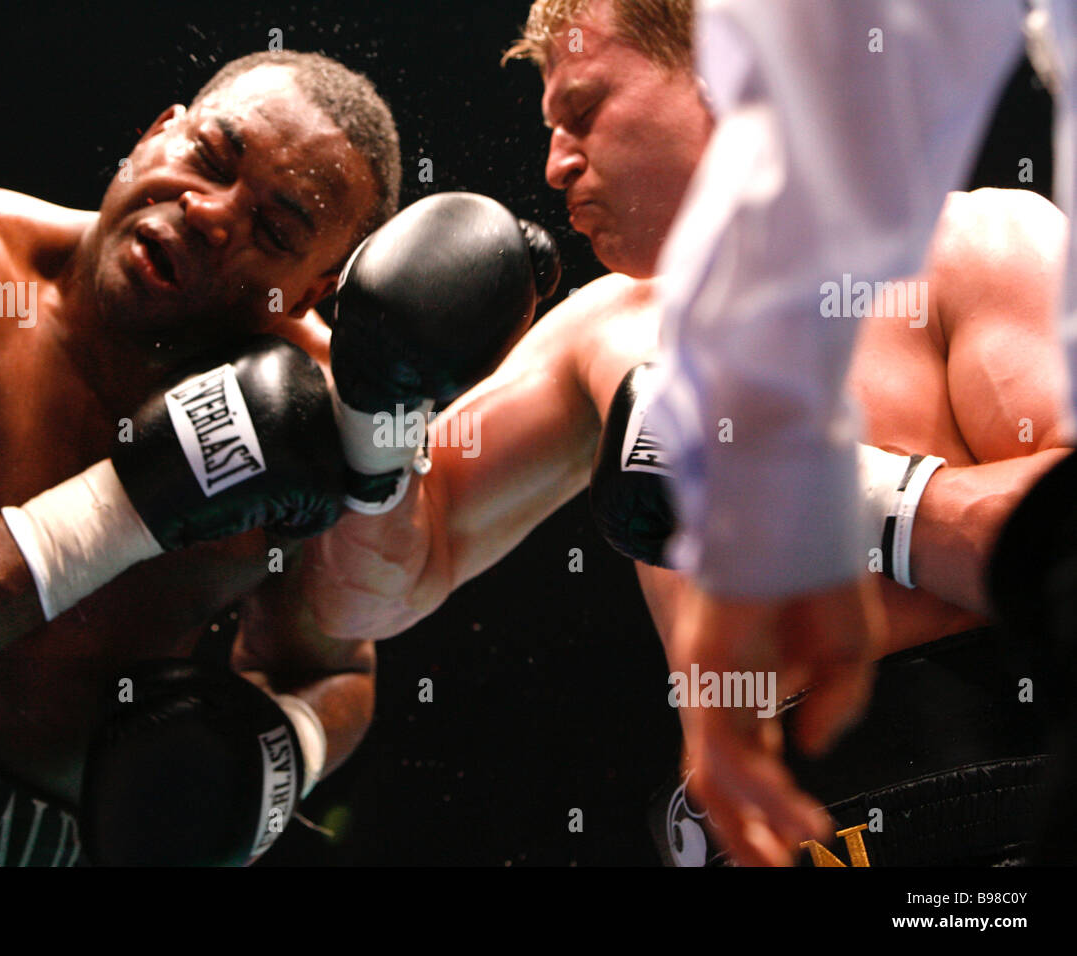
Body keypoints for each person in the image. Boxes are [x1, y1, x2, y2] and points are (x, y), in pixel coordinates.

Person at [304, 0, 1072, 865]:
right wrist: (372, 420)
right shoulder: (603, 334)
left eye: (584, 113)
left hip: (999, 820)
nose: (554, 167)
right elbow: (376, 589)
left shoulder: (972, 242)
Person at [0, 50, 400, 867]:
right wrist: (130, 508)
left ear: (310, 291)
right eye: (210, 158)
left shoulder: (304, 421)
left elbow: (337, 671)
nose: (212, 214)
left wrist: (285, 751)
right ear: (154, 134)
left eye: (273, 230)